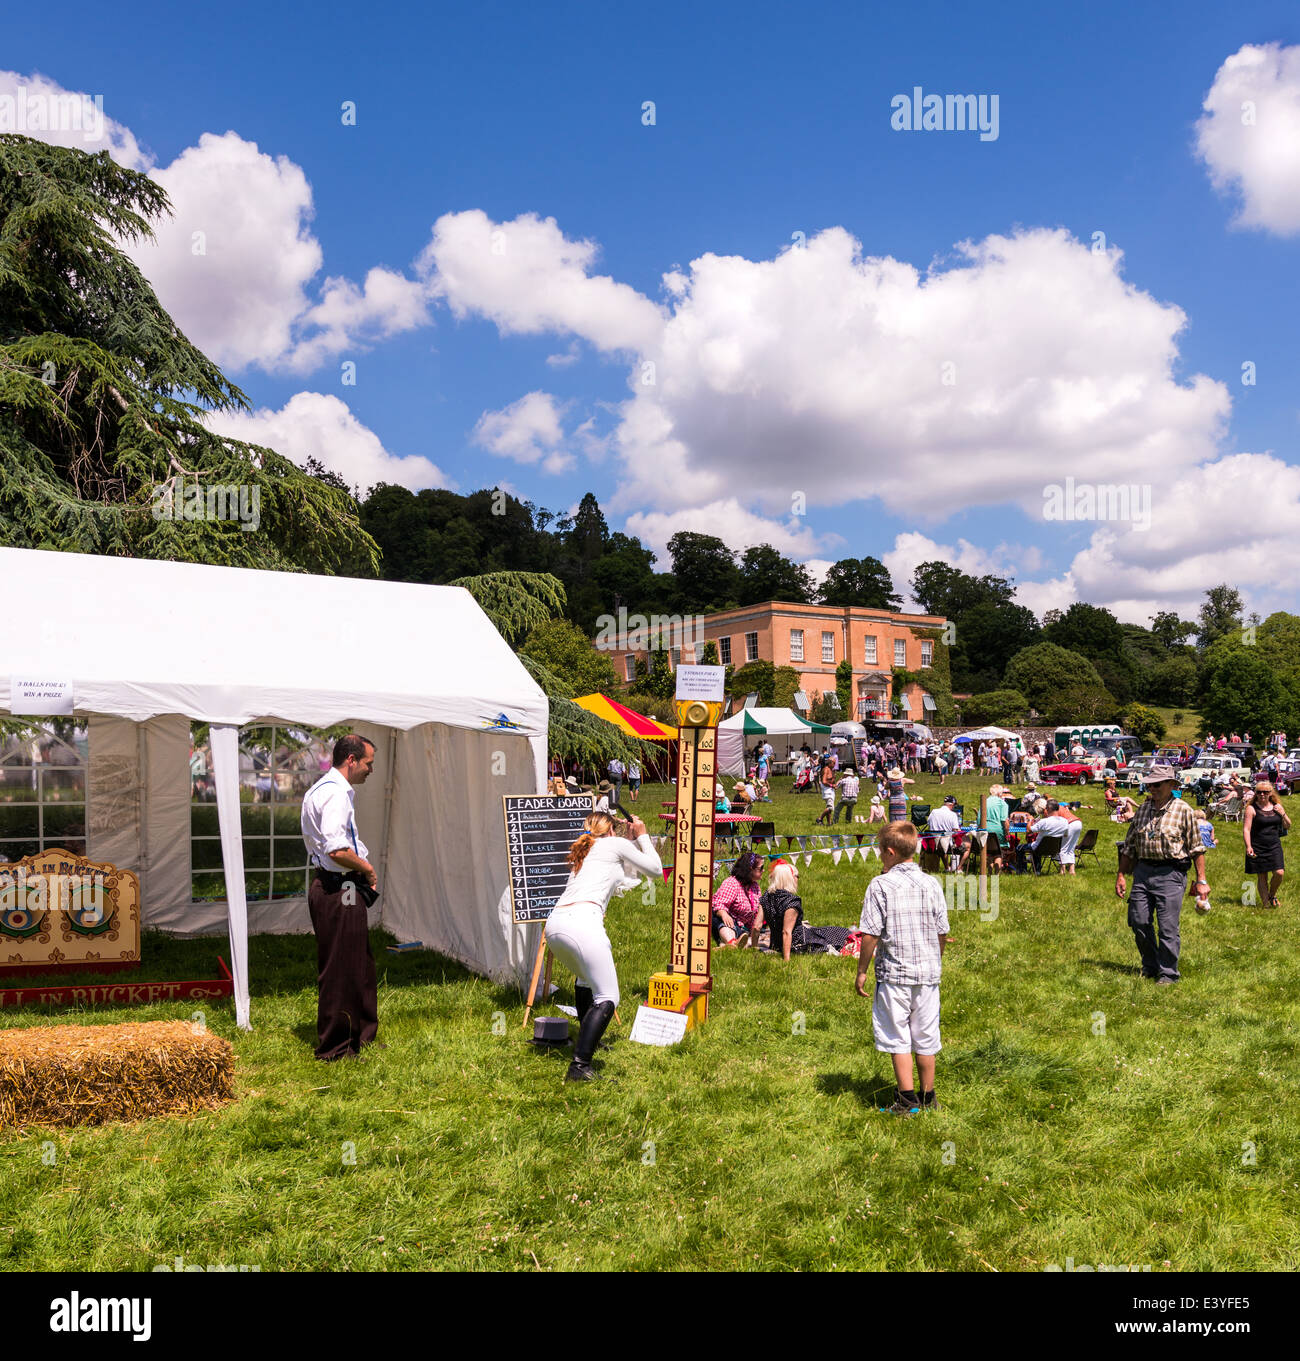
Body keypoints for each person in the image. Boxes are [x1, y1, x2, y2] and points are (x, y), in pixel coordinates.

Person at [547, 811, 662, 1081]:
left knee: (586, 980)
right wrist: (643, 835)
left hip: (555, 926)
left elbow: (624, 878)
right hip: (583, 924)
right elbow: (655, 870)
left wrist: (632, 841)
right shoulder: (614, 844)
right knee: (609, 997)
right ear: (611, 831)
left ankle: (590, 1041)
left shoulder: (585, 853)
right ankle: (579, 1066)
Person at [855, 821, 951, 1114]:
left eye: (881, 853)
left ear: (891, 852)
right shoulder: (931, 883)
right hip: (927, 974)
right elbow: (942, 930)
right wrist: (937, 958)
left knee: (898, 1036)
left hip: (894, 973)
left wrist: (861, 970)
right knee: (925, 1035)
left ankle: (906, 1100)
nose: (880, 858)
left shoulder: (880, 885)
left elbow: (870, 934)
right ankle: (928, 1096)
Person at [300, 734, 380, 1061]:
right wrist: (369, 870)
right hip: (339, 888)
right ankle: (335, 1048)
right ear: (351, 760)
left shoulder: (324, 789)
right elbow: (337, 849)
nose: (370, 770)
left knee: (359, 963)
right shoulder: (335, 795)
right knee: (340, 970)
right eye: (368, 763)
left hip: (339, 885)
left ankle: (360, 1035)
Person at [1116, 765, 1210, 983]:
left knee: (1167, 927)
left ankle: (1168, 973)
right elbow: (1129, 846)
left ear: (1171, 785)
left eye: (1157, 784)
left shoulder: (1183, 810)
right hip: (1142, 872)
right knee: (1138, 921)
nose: (1153, 788)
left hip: (1171, 873)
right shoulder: (1142, 810)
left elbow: (1197, 848)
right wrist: (1121, 875)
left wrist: (1202, 880)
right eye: (1150, 784)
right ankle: (1150, 965)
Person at [1244, 781, 1290, 909]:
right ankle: (1266, 906)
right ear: (1256, 793)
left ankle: (1271, 895)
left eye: (1265, 792)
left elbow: (1288, 825)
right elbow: (1246, 829)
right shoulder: (1251, 808)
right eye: (1259, 792)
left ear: (1271, 793)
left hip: (1274, 845)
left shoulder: (1277, 807)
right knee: (1262, 875)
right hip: (1257, 845)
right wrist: (1248, 846)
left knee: (1279, 873)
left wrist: (1283, 813)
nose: (1262, 794)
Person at [711, 850, 765, 947]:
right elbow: (718, 904)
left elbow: (755, 913)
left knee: (741, 932)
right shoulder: (732, 883)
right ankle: (731, 942)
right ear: (750, 869)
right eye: (761, 868)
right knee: (725, 924)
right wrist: (724, 914)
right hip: (725, 921)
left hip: (742, 927)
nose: (763, 871)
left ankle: (730, 945)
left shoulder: (755, 886)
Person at [927, 795, 971, 871]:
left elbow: (928, 824)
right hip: (948, 845)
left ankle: (947, 868)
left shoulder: (933, 812)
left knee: (942, 845)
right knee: (968, 846)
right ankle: (959, 868)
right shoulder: (953, 815)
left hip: (934, 843)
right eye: (954, 806)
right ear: (951, 805)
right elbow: (955, 832)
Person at [815, 757, 837, 825]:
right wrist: (831, 785)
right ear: (830, 763)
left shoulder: (831, 770)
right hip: (827, 791)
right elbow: (824, 781)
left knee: (828, 807)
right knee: (830, 808)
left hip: (831, 791)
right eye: (834, 763)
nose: (835, 764)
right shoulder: (826, 770)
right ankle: (820, 818)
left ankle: (829, 823)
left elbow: (832, 781)